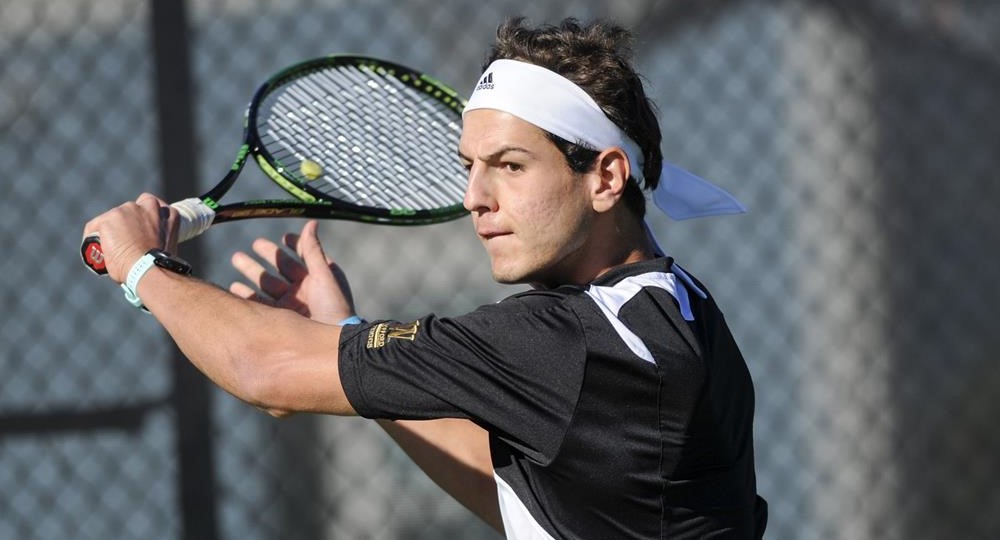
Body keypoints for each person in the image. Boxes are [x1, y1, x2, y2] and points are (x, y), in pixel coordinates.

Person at [83, 17, 767, 540]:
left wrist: (142, 265)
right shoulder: (681, 310)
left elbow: (265, 366)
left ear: (606, 178)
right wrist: (344, 335)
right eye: (470, 167)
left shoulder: (570, 341)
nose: (475, 197)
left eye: (510, 165)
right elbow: (533, 501)